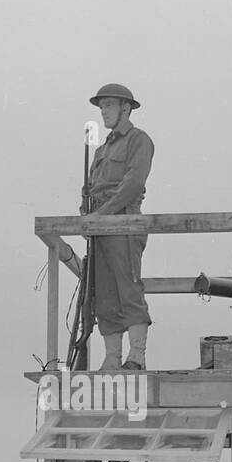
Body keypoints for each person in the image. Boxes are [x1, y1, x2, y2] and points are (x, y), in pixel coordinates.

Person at [86, 83, 155, 371]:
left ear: (125, 108)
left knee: (128, 288)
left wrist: (102, 213)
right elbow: (92, 188)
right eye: (101, 106)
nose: (103, 111)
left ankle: (136, 355)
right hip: (100, 224)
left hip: (123, 220)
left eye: (109, 106)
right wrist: (87, 216)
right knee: (104, 294)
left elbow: (133, 183)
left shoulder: (138, 140)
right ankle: (112, 357)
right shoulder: (101, 150)